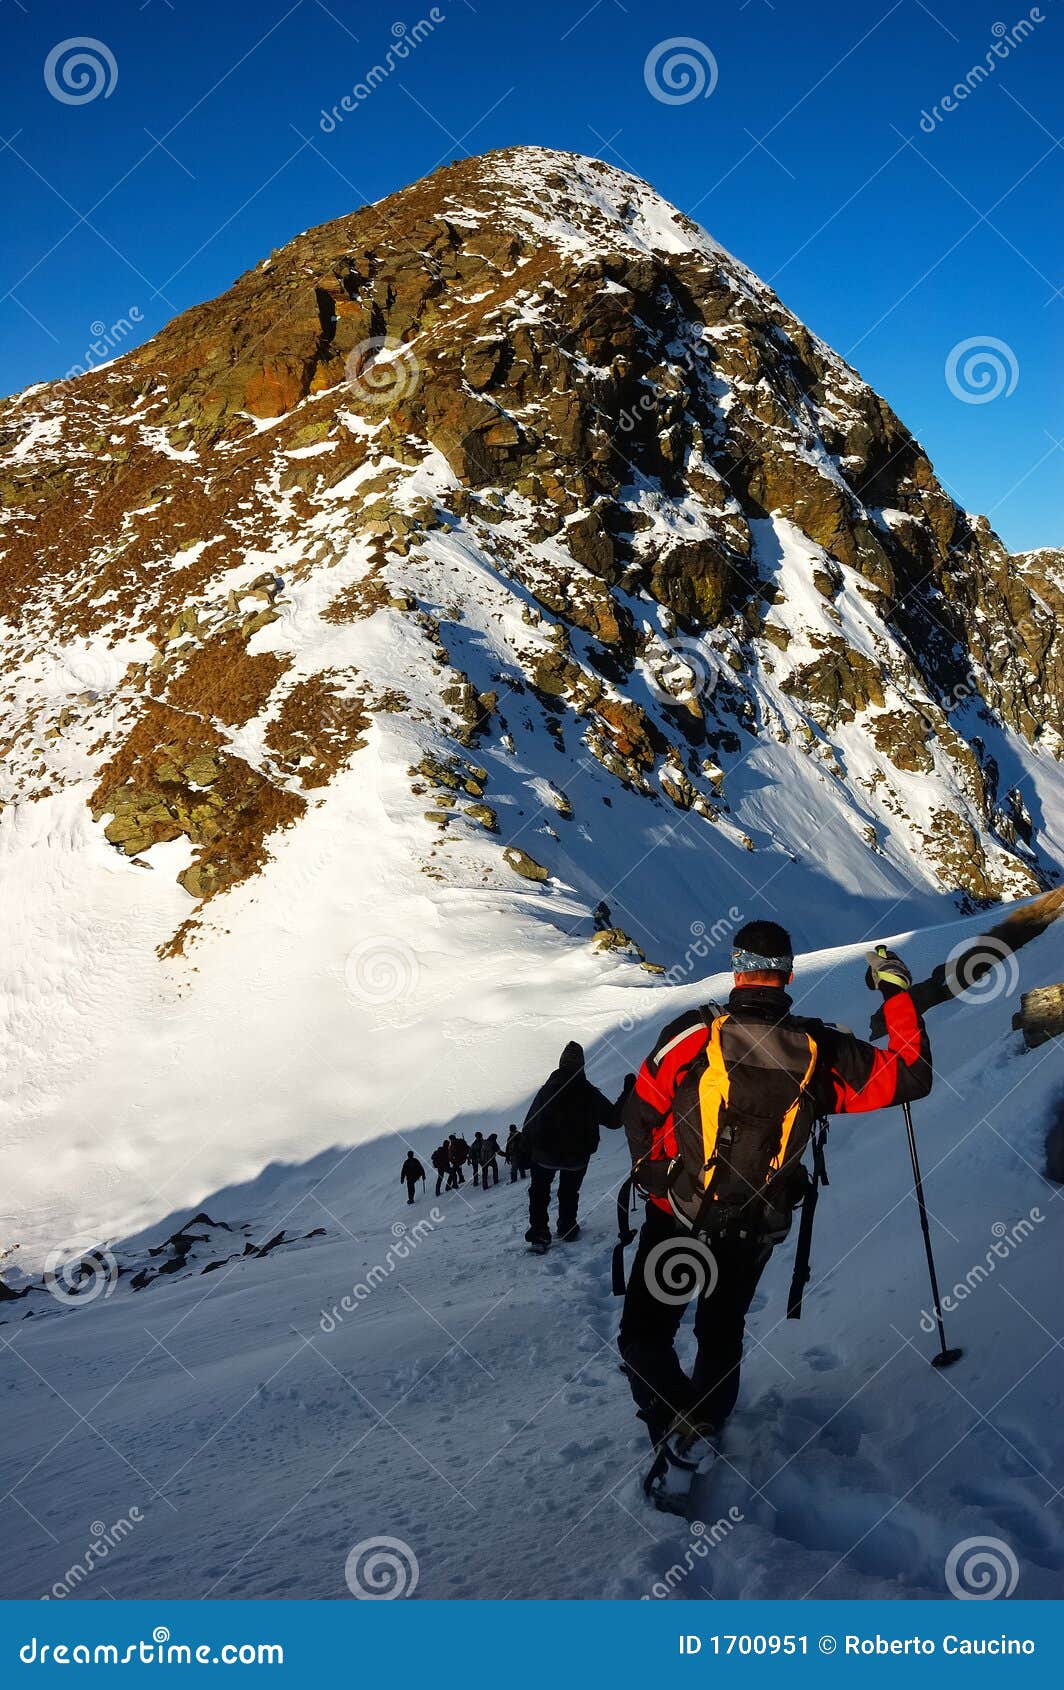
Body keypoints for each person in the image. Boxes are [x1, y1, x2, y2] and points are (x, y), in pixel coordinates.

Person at [617, 919, 932, 1502]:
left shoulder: (694, 1034)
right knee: (720, 1332)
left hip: (680, 1217)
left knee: (645, 1333)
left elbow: (639, 1109)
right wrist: (895, 991)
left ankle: (680, 1428)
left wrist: (655, 1176)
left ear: (737, 969)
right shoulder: (819, 1049)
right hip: (755, 1224)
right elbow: (910, 1077)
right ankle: (701, 1429)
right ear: (787, 974)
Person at [523, 1041, 623, 1250]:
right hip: (577, 1157)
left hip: (544, 1155)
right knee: (569, 1192)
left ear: (561, 1063)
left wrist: (525, 1151)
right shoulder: (589, 1092)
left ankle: (539, 1233)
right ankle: (567, 1227)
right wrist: (627, 1093)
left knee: (539, 1192)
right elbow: (614, 1120)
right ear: (582, 1065)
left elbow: (530, 1122)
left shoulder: (547, 1090)